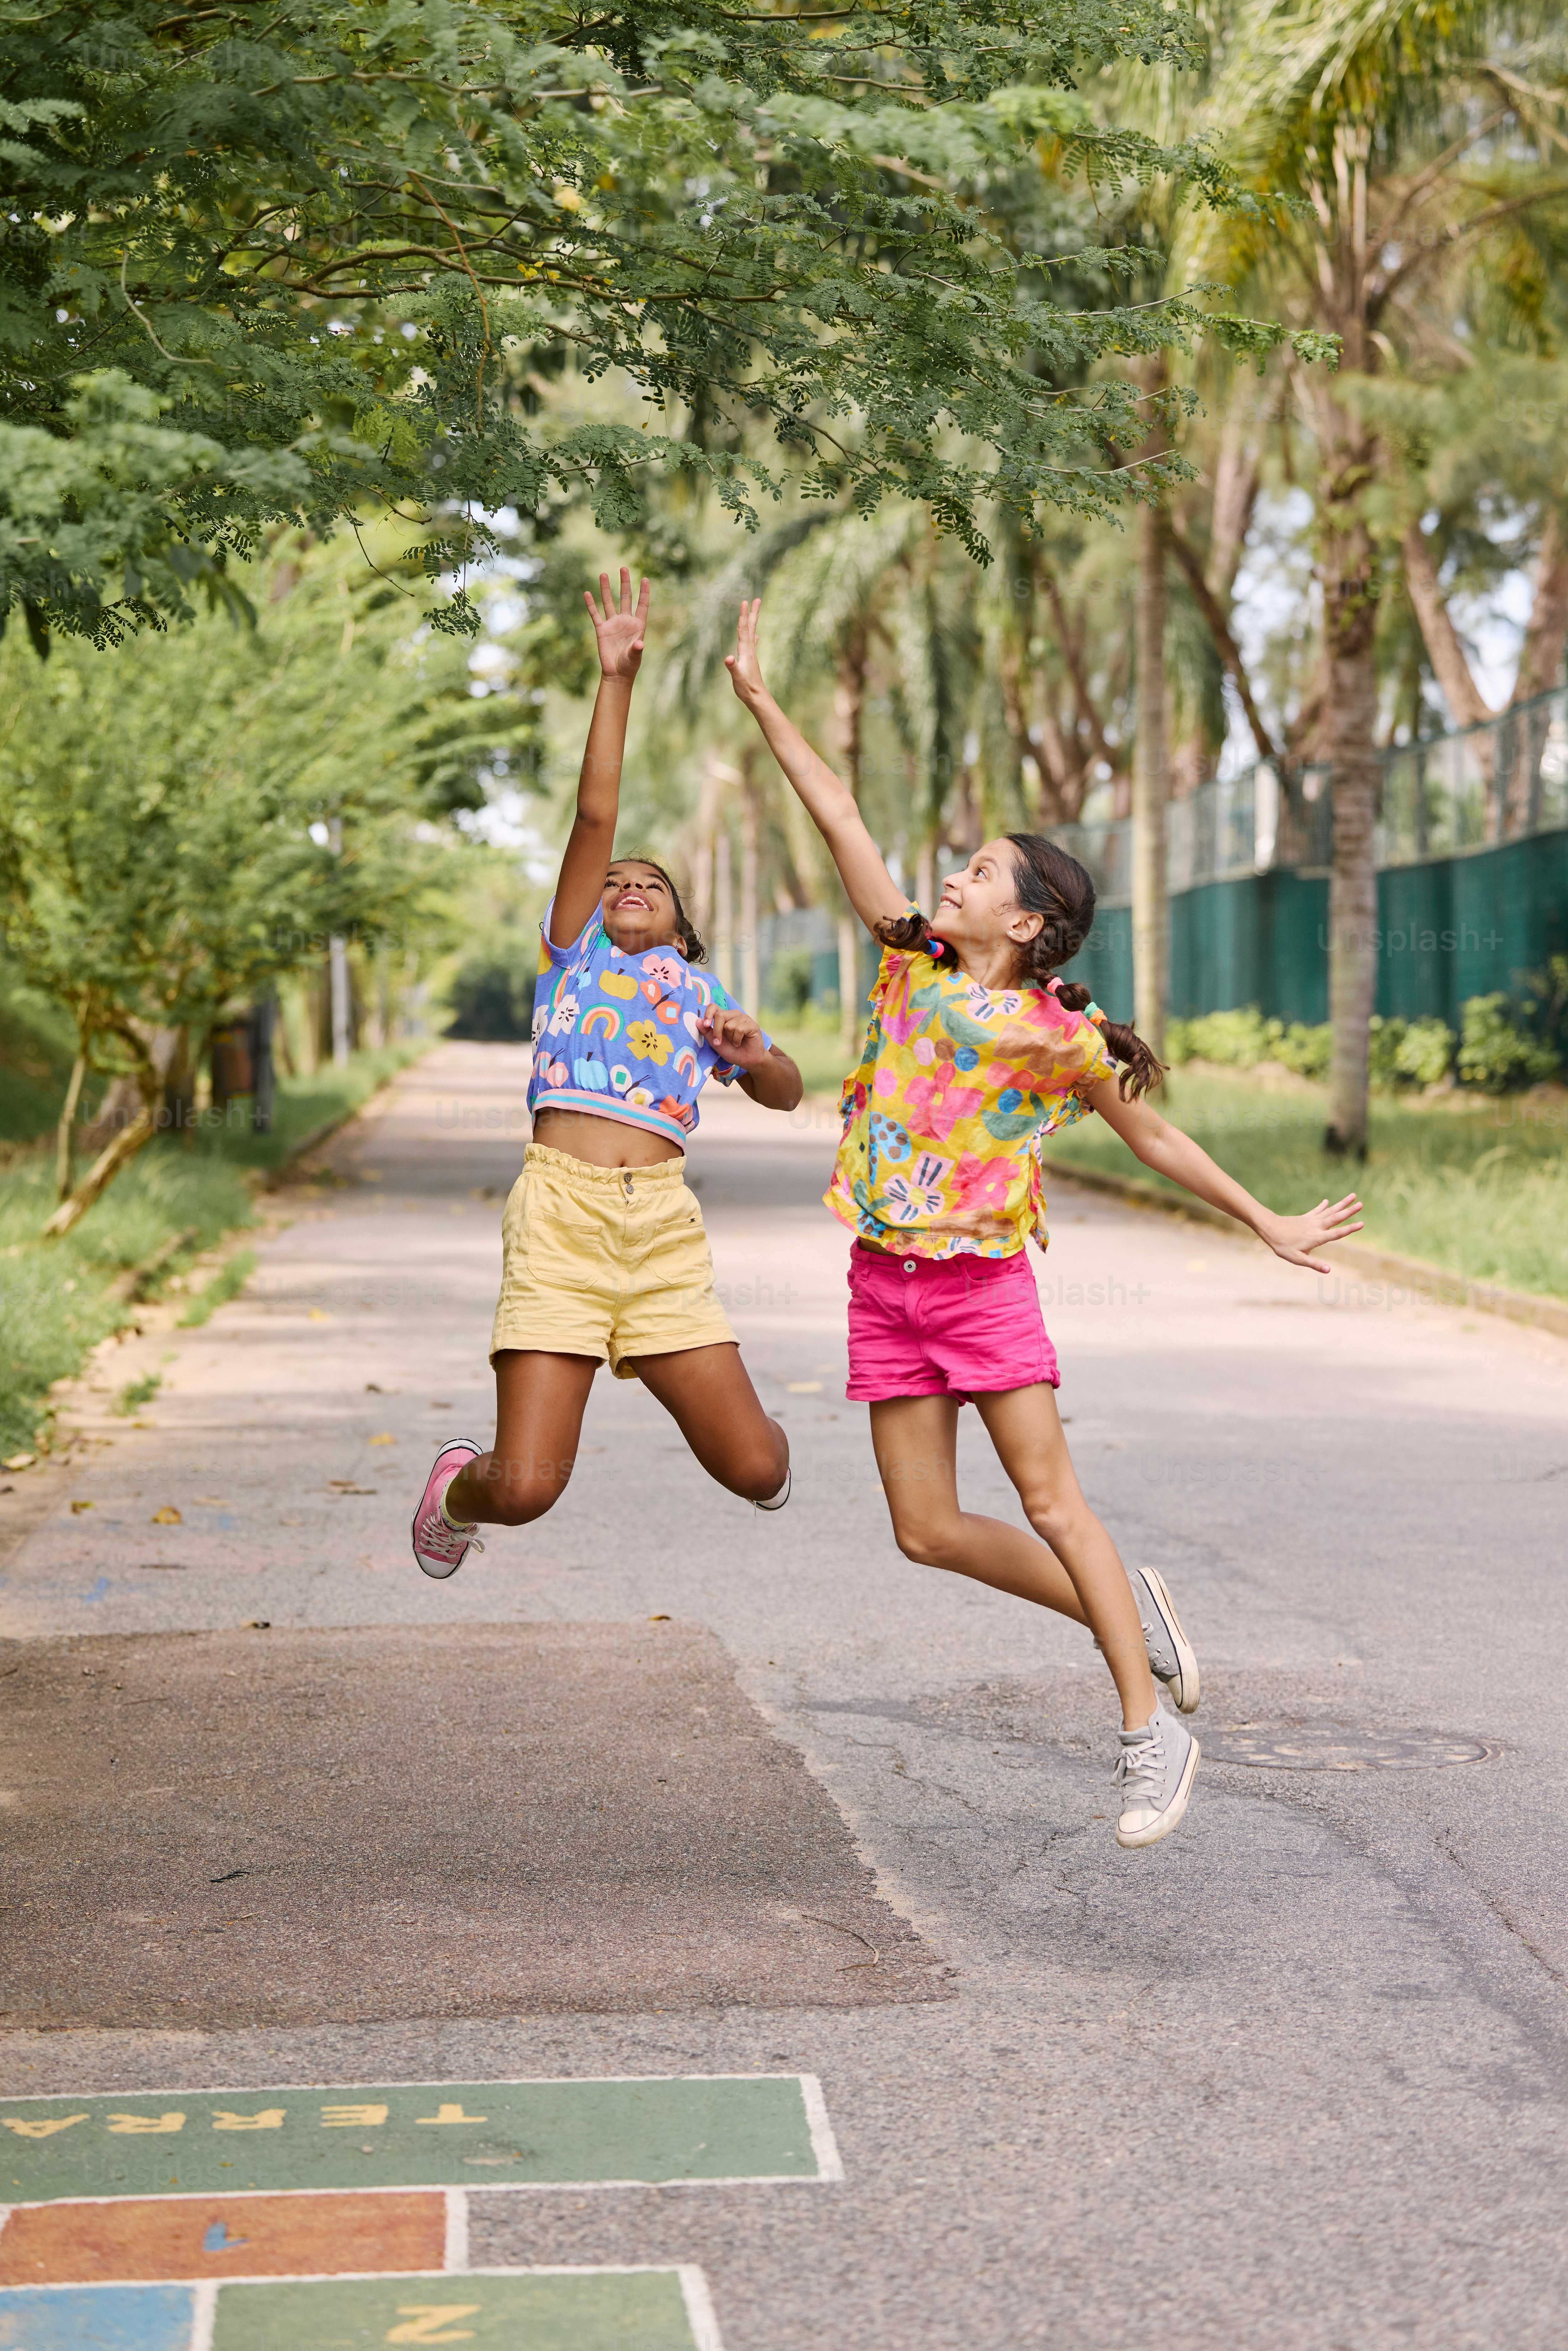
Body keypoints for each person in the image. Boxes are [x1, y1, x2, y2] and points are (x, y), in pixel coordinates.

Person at [724, 596, 1363, 1849]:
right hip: (884, 1283)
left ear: (1024, 923)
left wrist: (1264, 1220)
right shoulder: (907, 963)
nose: (953, 877)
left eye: (980, 873)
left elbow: (1155, 1138)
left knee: (1054, 1503)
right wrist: (761, 701)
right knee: (926, 1531)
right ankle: (1124, 1609)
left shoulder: (1061, 1037)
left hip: (982, 1289)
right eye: (960, 865)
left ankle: (1148, 1729)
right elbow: (838, 813)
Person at [412, 569, 801, 1577]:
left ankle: (756, 1437)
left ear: (681, 924)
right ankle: (456, 1489)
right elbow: (595, 817)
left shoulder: (702, 995)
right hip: (561, 1217)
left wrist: (757, 1054)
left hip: (660, 1226)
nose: (628, 884)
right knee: (526, 1488)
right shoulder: (573, 957)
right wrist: (615, 679)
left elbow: (788, 1092)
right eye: (616, 882)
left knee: (758, 1469)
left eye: (651, 884)